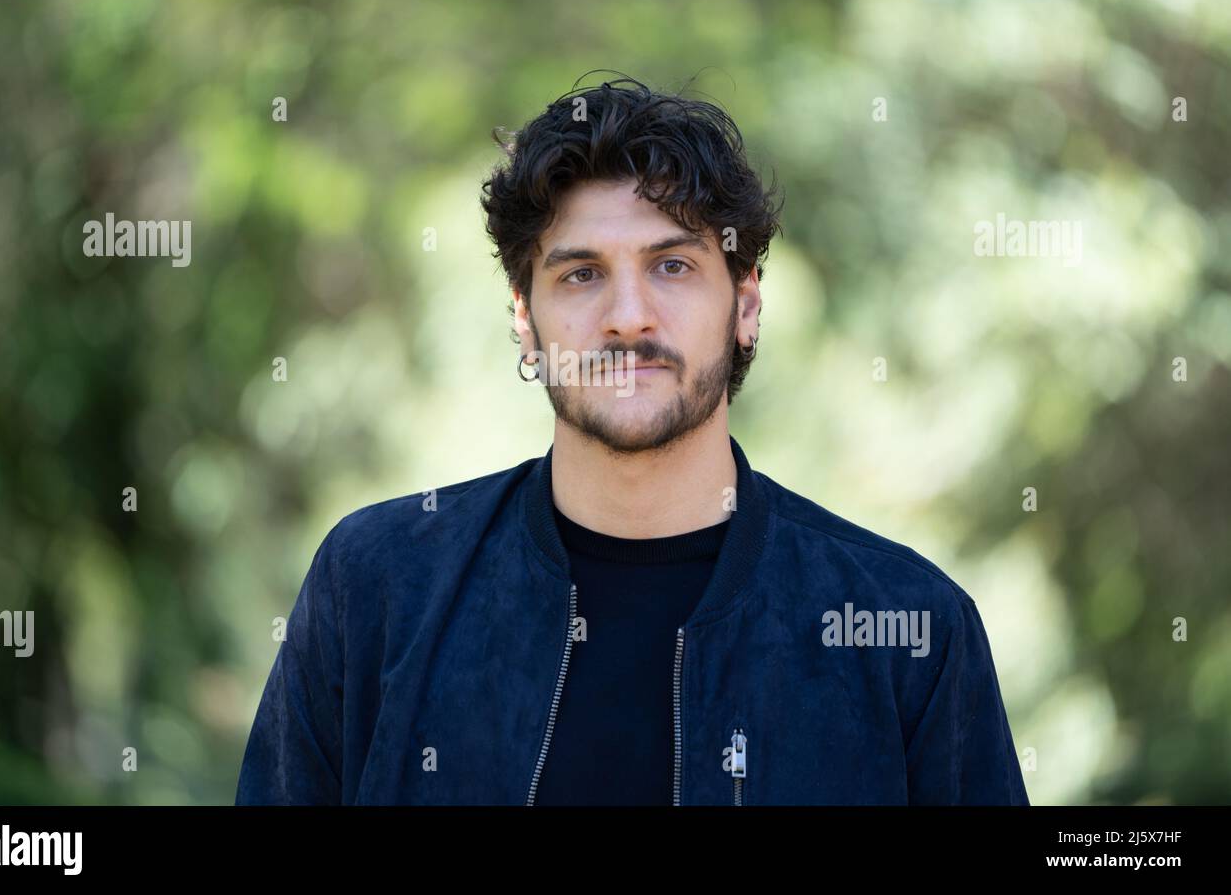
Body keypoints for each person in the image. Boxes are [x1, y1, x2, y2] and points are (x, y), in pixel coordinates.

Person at [235, 74, 1029, 805]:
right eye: (581, 274)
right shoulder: (374, 587)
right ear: (525, 318)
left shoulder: (908, 629)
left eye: (673, 266)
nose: (627, 316)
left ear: (746, 305)